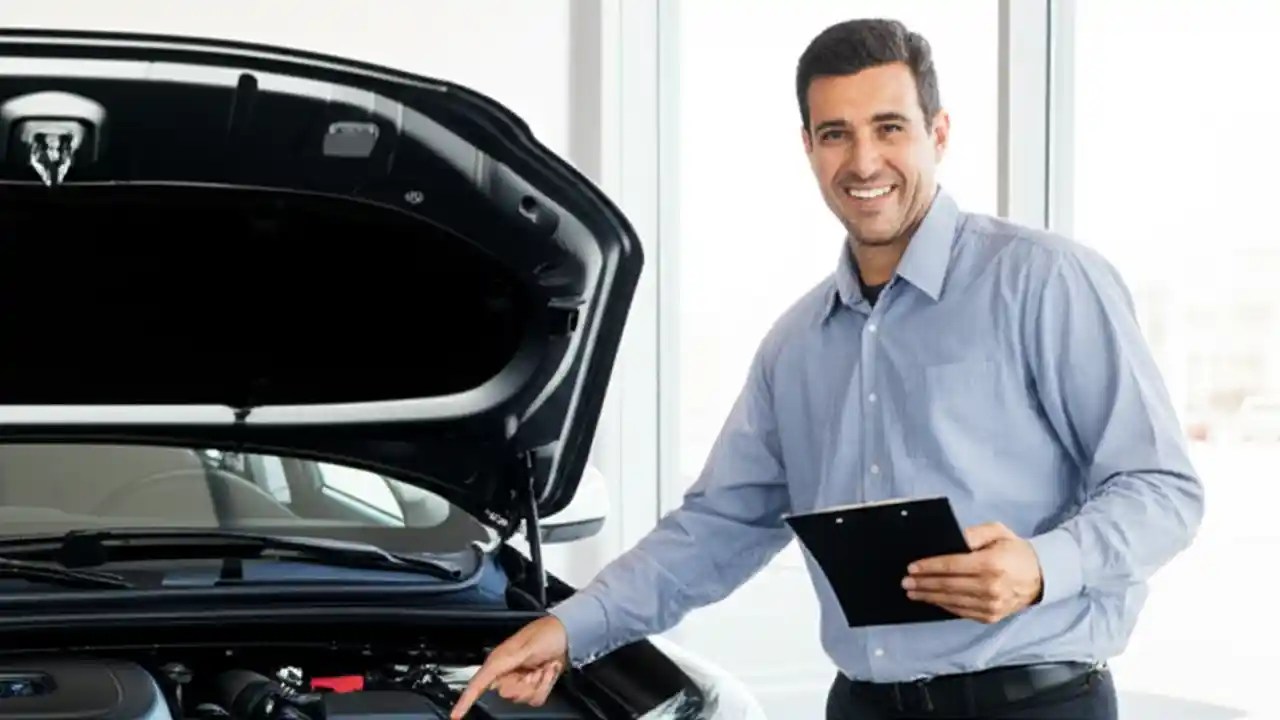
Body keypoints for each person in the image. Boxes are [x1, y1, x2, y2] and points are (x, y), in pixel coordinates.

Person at [450, 17, 1204, 720]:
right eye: (837, 134)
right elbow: (718, 528)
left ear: (938, 133)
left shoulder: (1043, 281)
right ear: (808, 147)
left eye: (889, 128)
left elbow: (1164, 490)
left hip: (1033, 704)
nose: (864, 161)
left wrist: (1042, 566)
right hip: (861, 705)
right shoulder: (797, 345)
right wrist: (567, 627)